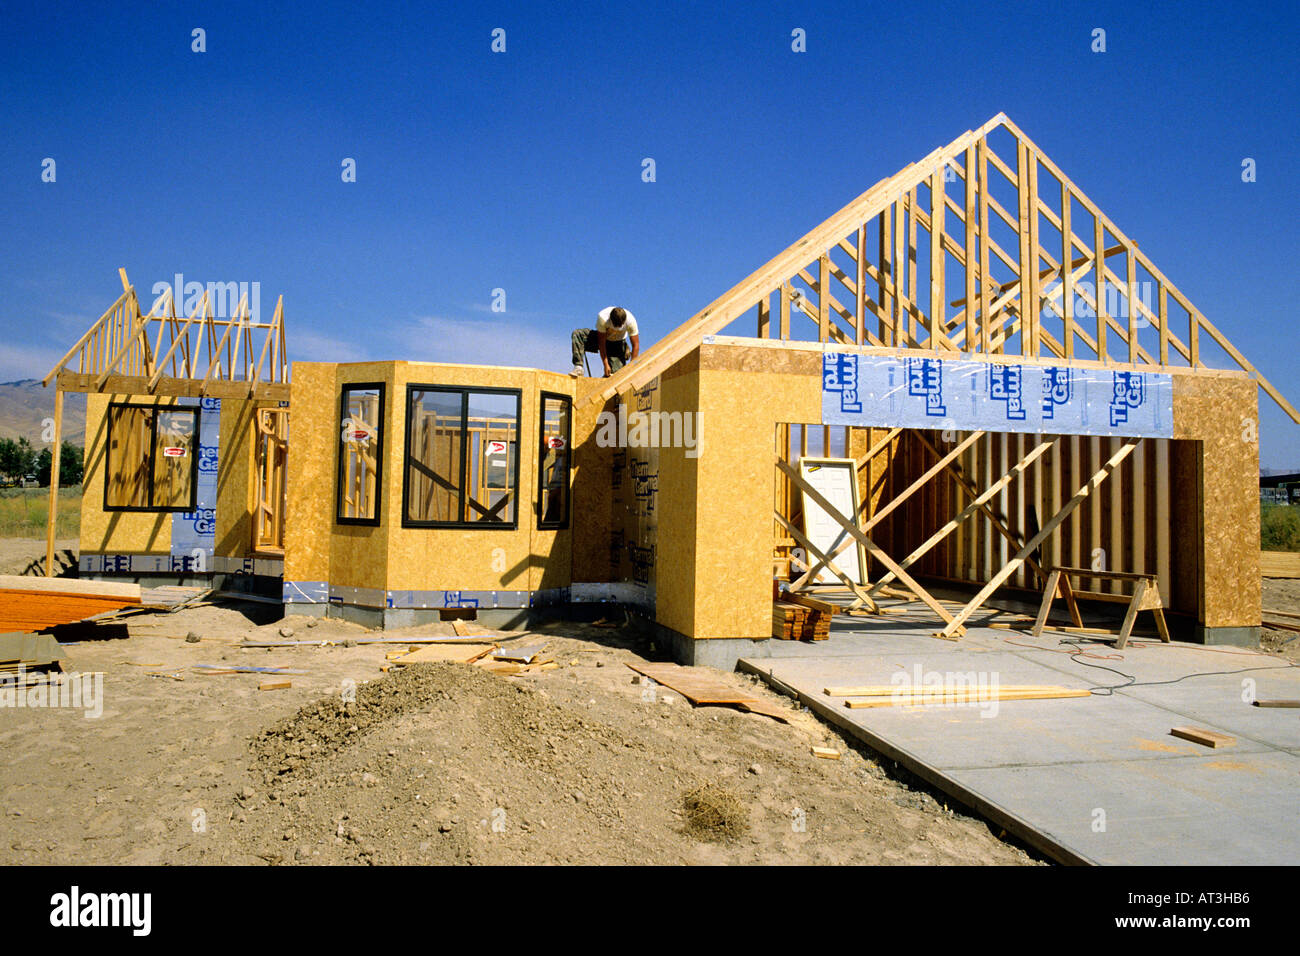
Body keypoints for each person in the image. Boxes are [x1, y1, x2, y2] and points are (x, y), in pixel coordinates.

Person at [570, 306, 639, 377]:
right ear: (611, 320)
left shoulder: (631, 321)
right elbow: (602, 343)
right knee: (578, 334)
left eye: (620, 326)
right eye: (615, 326)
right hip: (603, 339)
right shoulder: (603, 318)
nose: (617, 328)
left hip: (617, 345)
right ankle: (578, 367)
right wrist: (606, 364)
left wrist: (631, 367)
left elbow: (635, 345)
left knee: (616, 376)